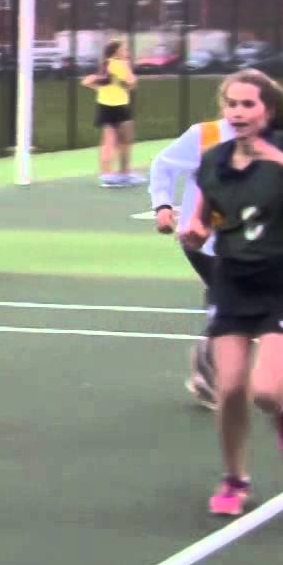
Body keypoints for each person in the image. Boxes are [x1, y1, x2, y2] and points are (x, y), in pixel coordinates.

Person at [179, 69, 283, 517]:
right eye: (231, 104)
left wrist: (278, 159)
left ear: (267, 111)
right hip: (233, 281)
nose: (238, 112)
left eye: (248, 105)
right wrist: (193, 232)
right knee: (231, 387)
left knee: (264, 390)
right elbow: (201, 218)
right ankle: (235, 479)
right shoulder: (214, 160)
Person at [149, 117, 237, 409]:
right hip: (202, 238)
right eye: (234, 102)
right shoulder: (206, 134)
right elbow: (163, 164)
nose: (241, 111)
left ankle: (213, 357)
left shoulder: (276, 139)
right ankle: (208, 369)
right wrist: (162, 204)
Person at [81, 40, 142, 188]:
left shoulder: (107, 64)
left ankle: (108, 175)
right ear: (116, 51)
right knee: (125, 141)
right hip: (118, 107)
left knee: (109, 141)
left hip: (105, 106)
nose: (126, 51)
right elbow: (132, 82)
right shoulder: (118, 64)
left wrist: (100, 89)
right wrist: (127, 65)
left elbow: (89, 82)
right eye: (124, 49)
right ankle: (123, 173)